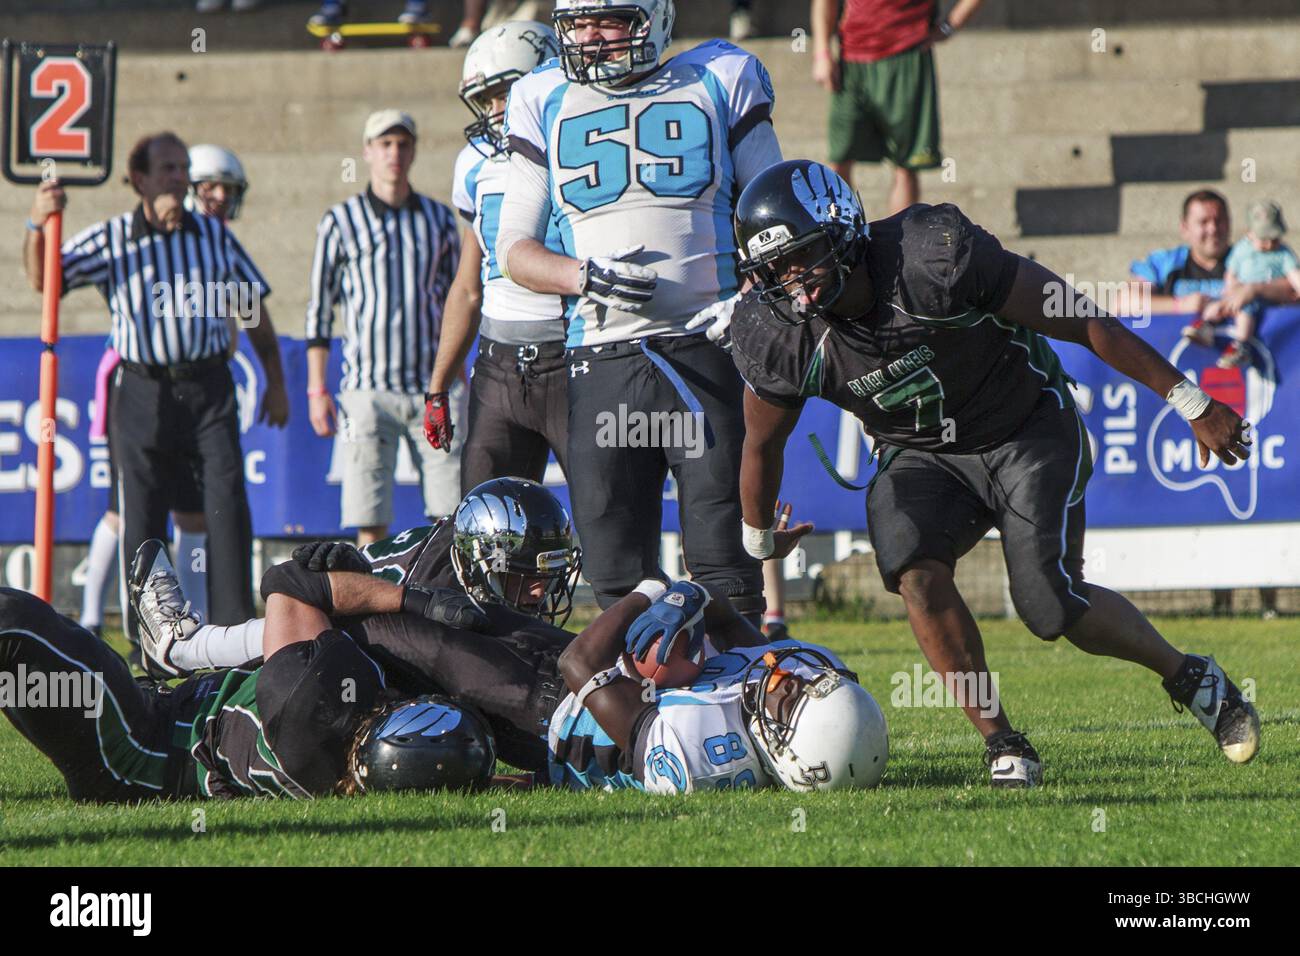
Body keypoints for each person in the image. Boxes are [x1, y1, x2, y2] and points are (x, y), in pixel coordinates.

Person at [715, 159, 1259, 787]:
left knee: (1052, 607)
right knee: (912, 571)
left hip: (1023, 426)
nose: (792, 284)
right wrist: (760, 545)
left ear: (841, 232)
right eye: (773, 271)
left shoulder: (929, 258)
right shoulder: (780, 334)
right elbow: (761, 443)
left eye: (801, 257)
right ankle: (1003, 742)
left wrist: (1191, 402)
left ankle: (1192, 676)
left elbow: (1079, 317)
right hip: (920, 454)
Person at [496, 0, 781, 622]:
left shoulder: (719, 75)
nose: (591, 38)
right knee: (617, 574)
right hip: (601, 360)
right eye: (577, 25)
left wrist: (751, 296)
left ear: (655, 18)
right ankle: (647, 718)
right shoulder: (542, 94)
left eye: (611, 21)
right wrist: (582, 276)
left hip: (708, 351)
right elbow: (513, 249)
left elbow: (779, 213)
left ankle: (744, 706)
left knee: (724, 565)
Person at [25, 131, 283, 656]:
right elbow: (44, 279)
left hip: (209, 386)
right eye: (166, 168)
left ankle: (232, 636)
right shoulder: (115, 237)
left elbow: (253, 307)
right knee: (140, 512)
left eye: (182, 166)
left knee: (226, 503)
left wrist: (276, 379)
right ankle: (152, 642)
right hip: (142, 387)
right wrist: (37, 222)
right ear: (139, 178)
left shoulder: (213, 236)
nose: (177, 177)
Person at [135, 478, 583, 773]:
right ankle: (185, 648)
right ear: (480, 559)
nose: (541, 594)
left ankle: (187, 655)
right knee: (335, 638)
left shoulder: (464, 564)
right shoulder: (432, 576)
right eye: (527, 577)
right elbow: (288, 587)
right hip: (332, 660)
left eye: (549, 579)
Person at [0, 565, 498, 803]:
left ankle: (182, 644)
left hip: (133, 742)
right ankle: (181, 647)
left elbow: (289, 583)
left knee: (11, 621)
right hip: (146, 739)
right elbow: (445, 769)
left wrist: (412, 599)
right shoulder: (364, 777)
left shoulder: (319, 704)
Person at [550, 578, 889, 792]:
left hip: (553, 715)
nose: (789, 679)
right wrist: (691, 597)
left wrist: (650, 590)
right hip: (584, 661)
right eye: (807, 682)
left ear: (786, 757)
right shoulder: (804, 667)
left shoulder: (701, 753)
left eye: (789, 700)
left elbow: (578, 664)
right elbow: (726, 618)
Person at [306, 111, 464, 547]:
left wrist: (458, 372)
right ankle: (369, 610)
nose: (394, 153)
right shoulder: (339, 221)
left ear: (413, 151)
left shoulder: (438, 219)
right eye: (385, 144)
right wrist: (316, 388)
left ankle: (443, 609)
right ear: (368, 151)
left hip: (433, 387)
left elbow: (458, 299)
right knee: (368, 515)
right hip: (366, 390)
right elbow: (320, 308)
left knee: (449, 515)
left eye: (403, 144)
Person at [426, 22, 571, 491]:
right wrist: (438, 384)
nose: (495, 111)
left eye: (503, 94)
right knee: (485, 526)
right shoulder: (474, 162)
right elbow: (469, 286)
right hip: (499, 364)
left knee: (606, 526)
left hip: (574, 356)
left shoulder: (579, 141)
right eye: (485, 99)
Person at [811, 0, 984, 214]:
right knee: (839, 159)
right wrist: (822, 53)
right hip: (851, 58)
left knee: (906, 167)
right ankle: (843, 238)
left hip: (907, 56)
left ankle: (899, 244)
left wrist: (950, 25)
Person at [1186, 199, 1300, 369]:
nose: (1269, 244)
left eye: (1274, 238)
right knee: (1215, 304)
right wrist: (1230, 292)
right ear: (1249, 234)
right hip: (1236, 294)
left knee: (1246, 311)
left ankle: (1241, 345)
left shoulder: (1283, 254)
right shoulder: (1242, 250)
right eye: (1263, 238)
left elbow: (1294, 276)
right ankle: (1206, 325)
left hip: (1263, 300)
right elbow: (1231, 273)